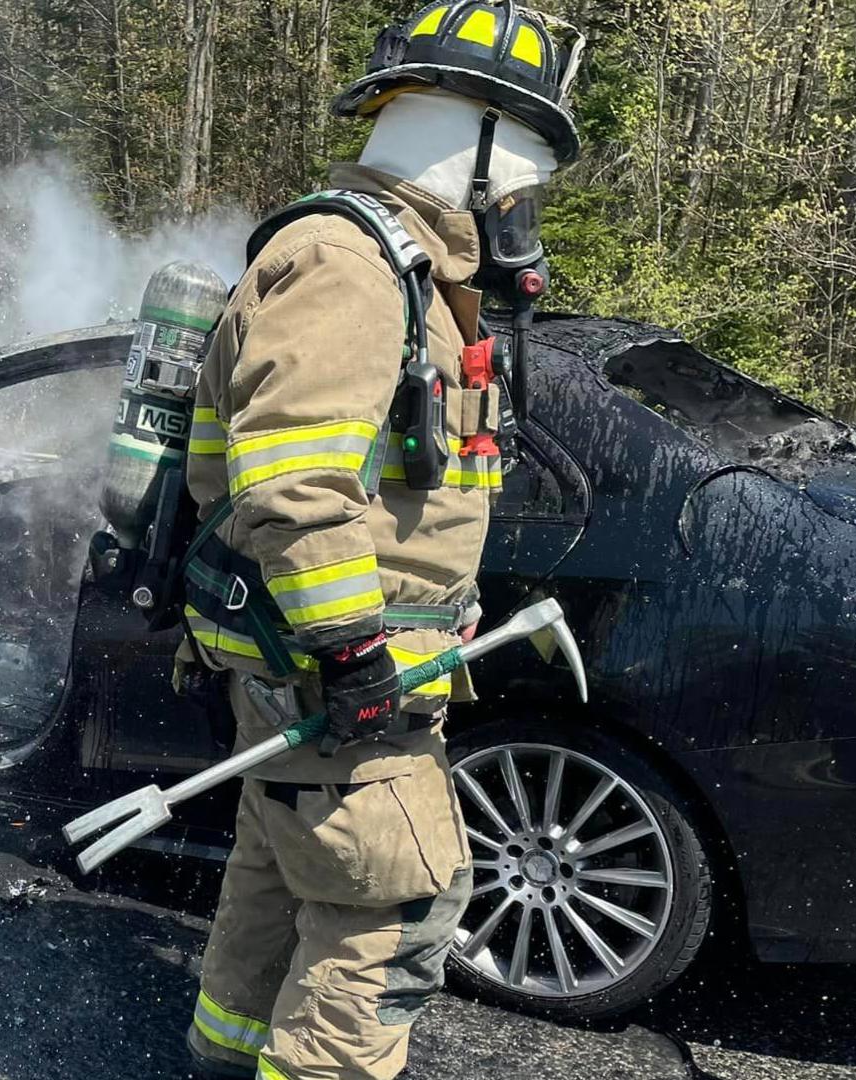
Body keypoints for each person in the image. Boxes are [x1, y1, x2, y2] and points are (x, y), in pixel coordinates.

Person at [178, 3, 583, 1078]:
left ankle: (226, 1054)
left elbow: (407, 487)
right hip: (330, 664)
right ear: (475, 136)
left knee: (284, 862)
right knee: (398, 902)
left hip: (322, 656)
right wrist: (353, 646)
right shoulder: (351, 265)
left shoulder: (404, 271)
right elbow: (291, 479)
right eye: (529, 162)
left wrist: (434, 605)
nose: (526, 200)